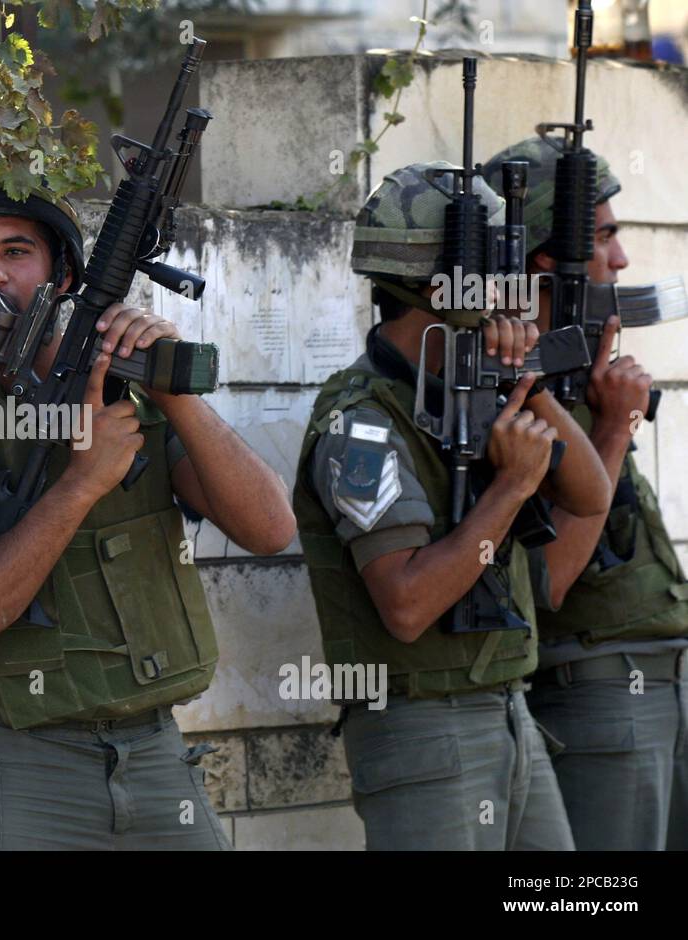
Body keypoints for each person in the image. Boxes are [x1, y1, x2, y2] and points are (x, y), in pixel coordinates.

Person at [0, 165, 296, 850]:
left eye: (16, 251)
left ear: (64, 275)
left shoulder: (133, 401)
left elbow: (270, 529)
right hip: (14, 769)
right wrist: (81, 483)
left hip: (154, 758)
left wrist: (172, 384)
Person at [292, 161, 611, 850]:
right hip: (423, 728)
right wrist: (512, 487)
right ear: (435, 286)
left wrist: (529, 382)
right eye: (495, 267)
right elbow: (406, 606)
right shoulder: (362, 424)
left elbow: (590, 495)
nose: (512, 286)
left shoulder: (474, 386)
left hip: (507, 710)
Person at [484, 138, 688, 850]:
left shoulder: (580, 366)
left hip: (663, 686)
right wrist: (611, 426)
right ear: (548, 258)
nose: (622, 259)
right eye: (603, 237)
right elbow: (546, 588)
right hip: (596, 691)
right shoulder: (511, 391)